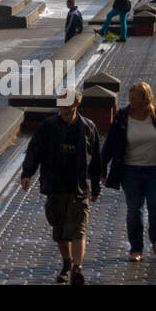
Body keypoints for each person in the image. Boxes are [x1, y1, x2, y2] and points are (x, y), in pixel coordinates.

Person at [20, 88, 103, 284]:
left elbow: (97, 160)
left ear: (76, 105)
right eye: (60, 103)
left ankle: (77, 268)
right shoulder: (49, 126)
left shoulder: (88, 127)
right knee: (59, 230)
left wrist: (96, 186)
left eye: (66, 103)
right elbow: (34, 150)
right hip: (55, 185)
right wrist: (27, 173)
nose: (62, 107)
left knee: (78, 229)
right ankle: (67, 263)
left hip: (79, 187)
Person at [103, 81, 156, 261]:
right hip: (131, 171)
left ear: (145, 99)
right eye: (130, 98)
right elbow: (110, 143)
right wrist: (101, 169)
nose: (131, 101)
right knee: (134, 210)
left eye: (135, 99)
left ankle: (155, 239)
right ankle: (136, 248)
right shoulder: (122, 116)